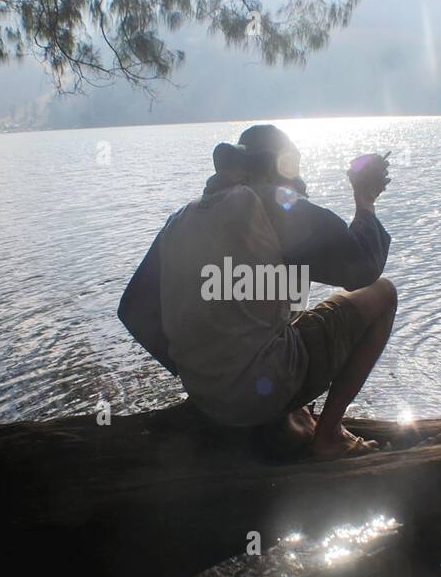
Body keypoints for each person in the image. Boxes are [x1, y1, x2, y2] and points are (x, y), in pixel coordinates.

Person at [118, 124, 396, 459]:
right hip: (255, 395)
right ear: (274, 170)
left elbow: (133, 311)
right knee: (383, 294)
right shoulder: (270, 202)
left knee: (281, 292)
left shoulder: (181, 218)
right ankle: (329, 435)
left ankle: (277, 409)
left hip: (205, 397)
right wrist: (364, 202)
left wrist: (204, 368)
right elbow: (362, 266)